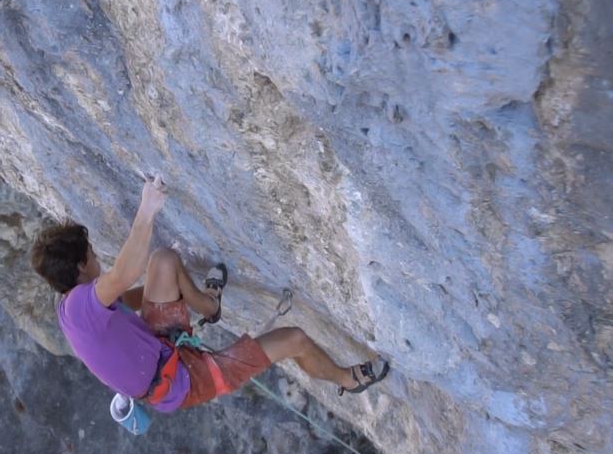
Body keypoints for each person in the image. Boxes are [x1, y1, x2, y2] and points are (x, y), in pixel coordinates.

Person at [30, 175, 388, 413]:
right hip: (184, 383)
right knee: (294, 339)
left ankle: (210, 305)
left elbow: (128, 299)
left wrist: (173, 296)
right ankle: (346, 379)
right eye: (91, 255)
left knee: (164, 260)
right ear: (79, 267)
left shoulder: (75, 309)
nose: (96, 258)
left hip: (163, 350)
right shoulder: (80, 305)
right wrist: (147, 208)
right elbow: (125, 273)